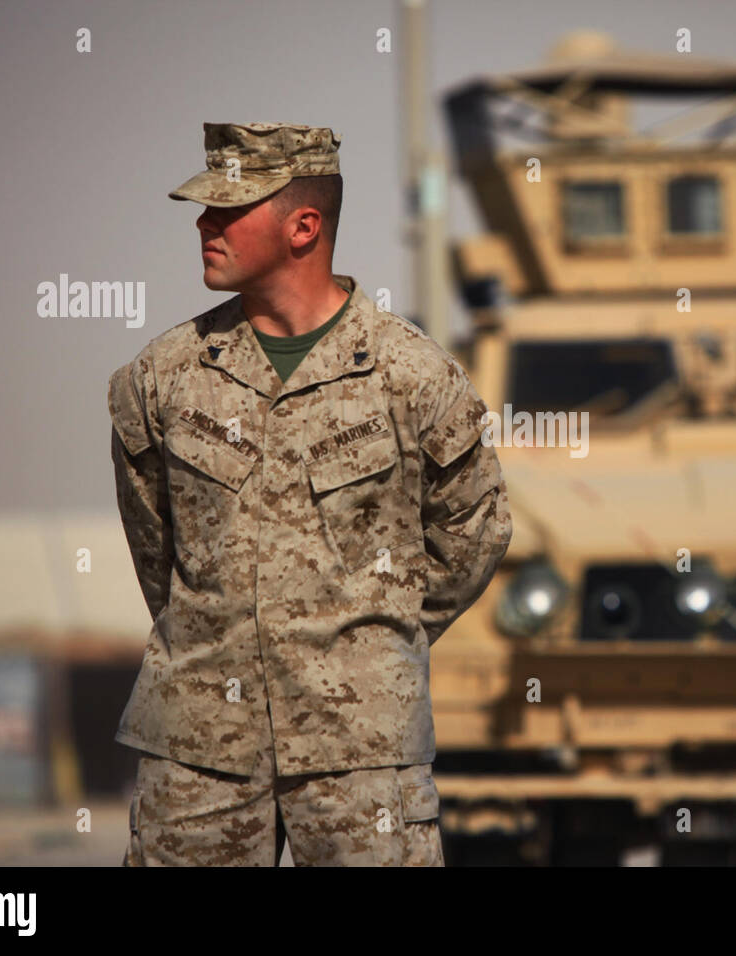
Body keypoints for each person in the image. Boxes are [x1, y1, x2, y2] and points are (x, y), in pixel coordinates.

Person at [107, 122, 511, 865]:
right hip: (199, 752)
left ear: (303, 226)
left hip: (362, 754)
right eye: (206, 207)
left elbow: (472, 539)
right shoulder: (161, 380)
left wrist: (370, 642)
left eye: (228, 210)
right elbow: (156, 554)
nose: (204, 223)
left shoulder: (413, 378)